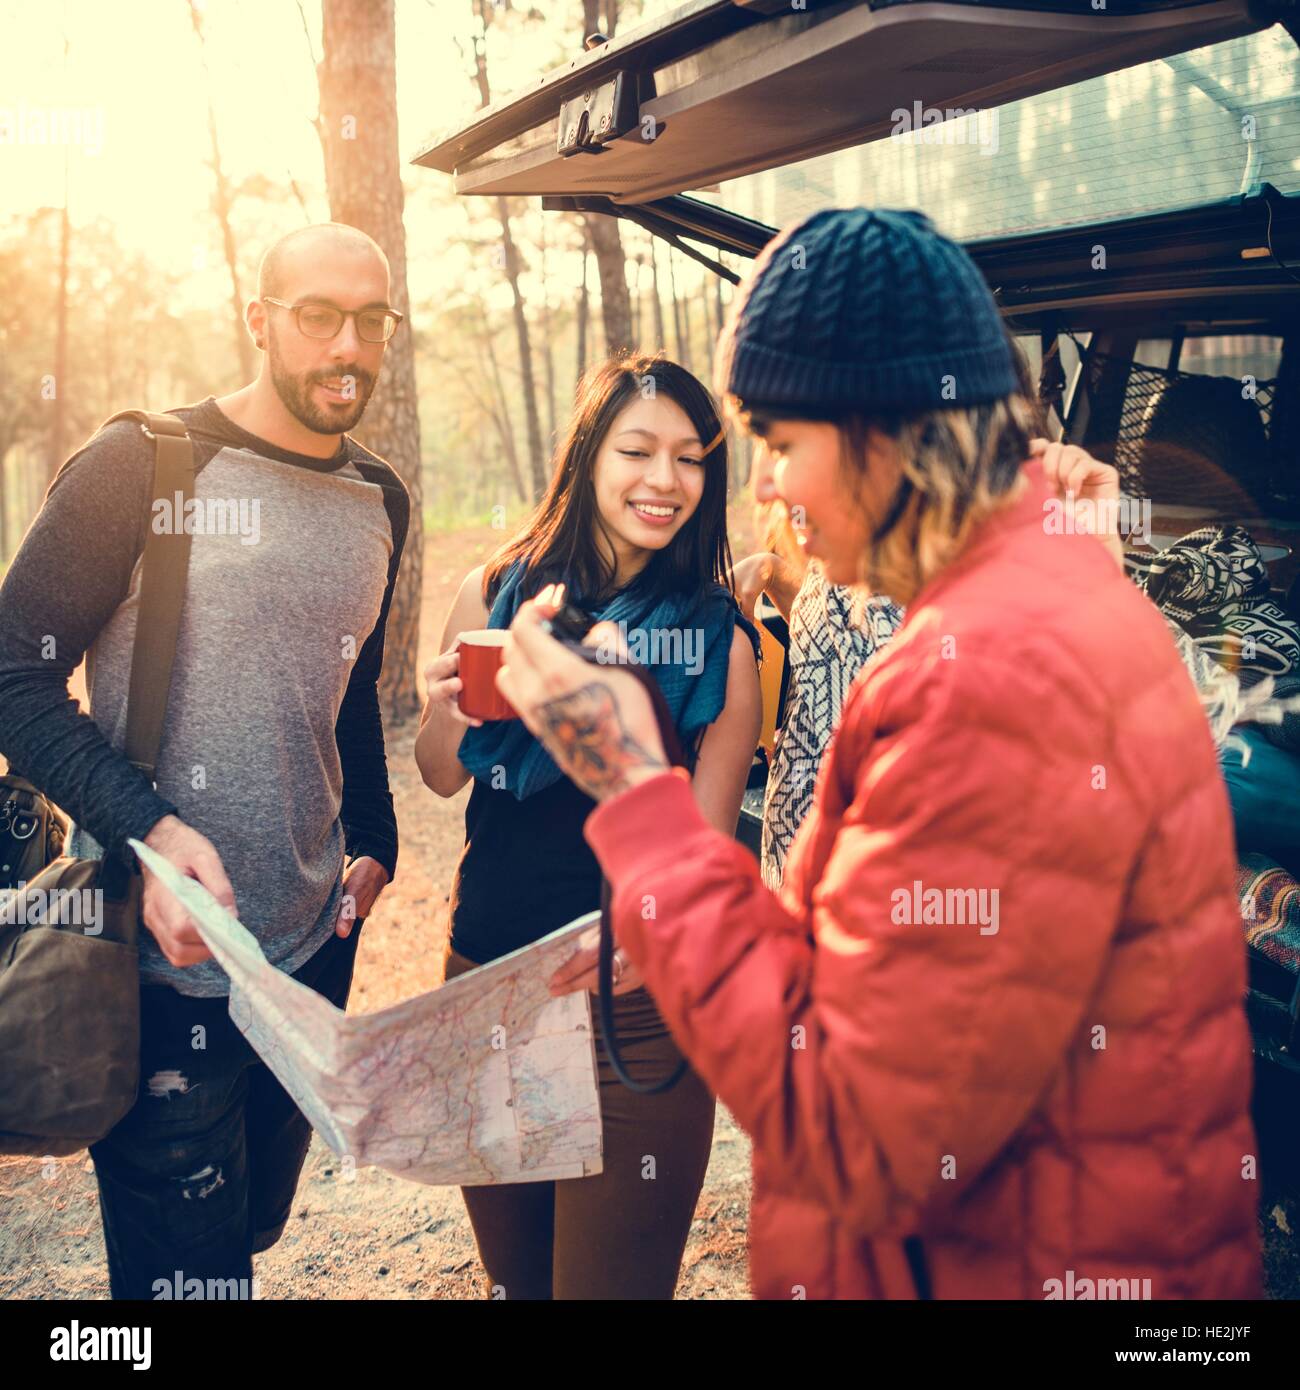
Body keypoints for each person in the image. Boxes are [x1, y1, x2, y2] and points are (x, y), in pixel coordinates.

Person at [492, 208, 1261, 1300]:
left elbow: (848, 1124)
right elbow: (885, 986)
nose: (761, 486)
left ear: (887, 431)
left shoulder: (991, 680)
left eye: (781, 442)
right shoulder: (1032, 597)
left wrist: (630, 784)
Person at [0, 222, 409, 1299]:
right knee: (193, 1278)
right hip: (156, 964)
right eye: (318, 315)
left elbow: (348, 681)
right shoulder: (140, 462)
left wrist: (376, 832)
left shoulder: (381, 499)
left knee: (251, 1232)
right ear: (259, 319)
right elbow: (12, 674)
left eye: (371, 319)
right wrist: (153, 831)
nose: (347, 346)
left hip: (311, 953)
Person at [415, 354, 761, 1300]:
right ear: (588, 455)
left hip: (635, 1010)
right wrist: (442, 708)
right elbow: (443, 776)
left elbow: (707, 849)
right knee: (518, 1284)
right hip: (486, 984)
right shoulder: (496, 592)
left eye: (691, 459)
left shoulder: (721, 642)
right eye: (637, 450)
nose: (664, 480)